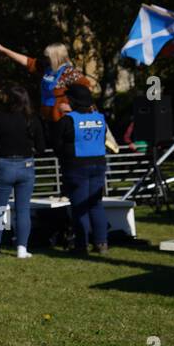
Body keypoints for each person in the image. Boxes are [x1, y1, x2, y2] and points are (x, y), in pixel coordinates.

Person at [0, 84, 47, 258]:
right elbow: (41, 147)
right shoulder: (32, 118)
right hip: (26, 165)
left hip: (4, 164)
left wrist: (0, 148)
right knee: (23, 209)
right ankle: (22, 249)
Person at [0, 42, 92, 145]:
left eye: (48, 56)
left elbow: (86, 90)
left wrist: (71, 106)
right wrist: (4, 50)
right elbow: (27, 61)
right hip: (46, 118)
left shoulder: (70, 72)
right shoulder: (46, 68)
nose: (46, 58)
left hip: (61, 119)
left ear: (56, 57)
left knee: (60, 148)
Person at [58, 84, 110, 255]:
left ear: (72, 101)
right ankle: (101, 243)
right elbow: (103, 140)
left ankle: (81, 245)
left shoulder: (67, 120)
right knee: (96, 204)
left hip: (77, 166)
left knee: (79, 206)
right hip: (98, 163)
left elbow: (57, 145)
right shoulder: (100, 118)